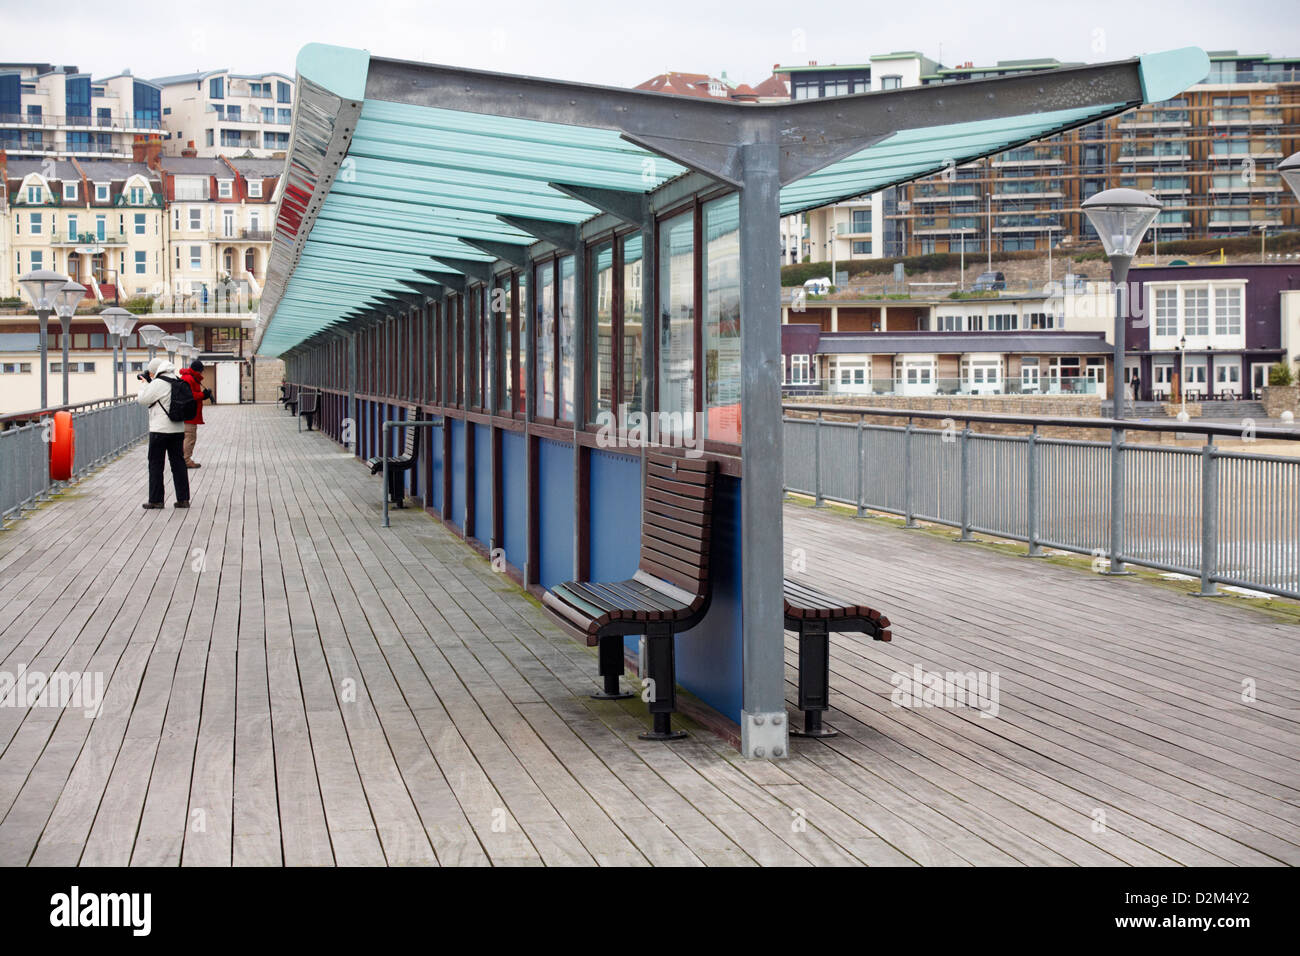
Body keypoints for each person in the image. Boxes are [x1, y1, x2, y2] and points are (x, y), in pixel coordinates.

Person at [136, 357, 190, 509]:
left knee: (156, 465)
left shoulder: (158, 383)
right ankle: (183, 499)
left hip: (160, 430)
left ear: (154, 371)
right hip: (178, 429)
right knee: (178, 464)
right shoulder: (177, 380)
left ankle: (156, 500)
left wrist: (145, 384)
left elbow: (143, 399)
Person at [179, 359, 214, 468]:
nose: (202, 373)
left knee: (187, 437)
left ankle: (183, 459)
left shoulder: (189, 377)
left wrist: (203, 395)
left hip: (188, 413)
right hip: (189, 414)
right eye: (202, 371)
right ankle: (186, 460)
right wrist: (203, 395)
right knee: (190, 437)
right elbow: (189, 396)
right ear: (198, 371)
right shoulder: (189, 378)